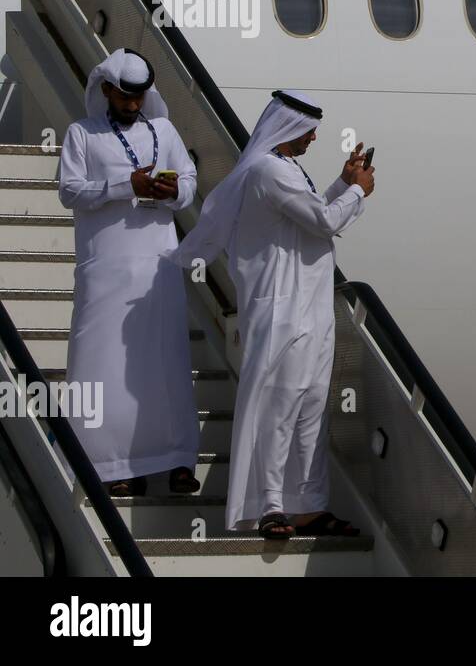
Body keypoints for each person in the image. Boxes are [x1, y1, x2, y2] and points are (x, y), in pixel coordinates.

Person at [169, 89, 375, 538]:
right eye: (309, 129)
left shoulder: (286, 169)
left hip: (310, 308)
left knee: (311, 407)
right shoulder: (267, 171)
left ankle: (309, 505)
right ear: (288, 128)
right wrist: (358, 193)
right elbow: (323, 222)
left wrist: (342, 185)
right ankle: (270, 506)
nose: (315, 137)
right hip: (282, 310)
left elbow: (313, 212)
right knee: (279, 405)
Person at [57, 48, 201, 496]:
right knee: (104, 365)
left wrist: (173, 189)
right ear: (106, 90)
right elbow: (69, 191)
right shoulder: (82, 133)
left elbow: (192, 182)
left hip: (157, 264)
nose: (133, 106)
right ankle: (110, 465)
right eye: (124, 97)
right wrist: (125, 187)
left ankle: (178, 459)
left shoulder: (164, 128)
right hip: (106, 267)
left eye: (139, 98)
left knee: (164, 360)